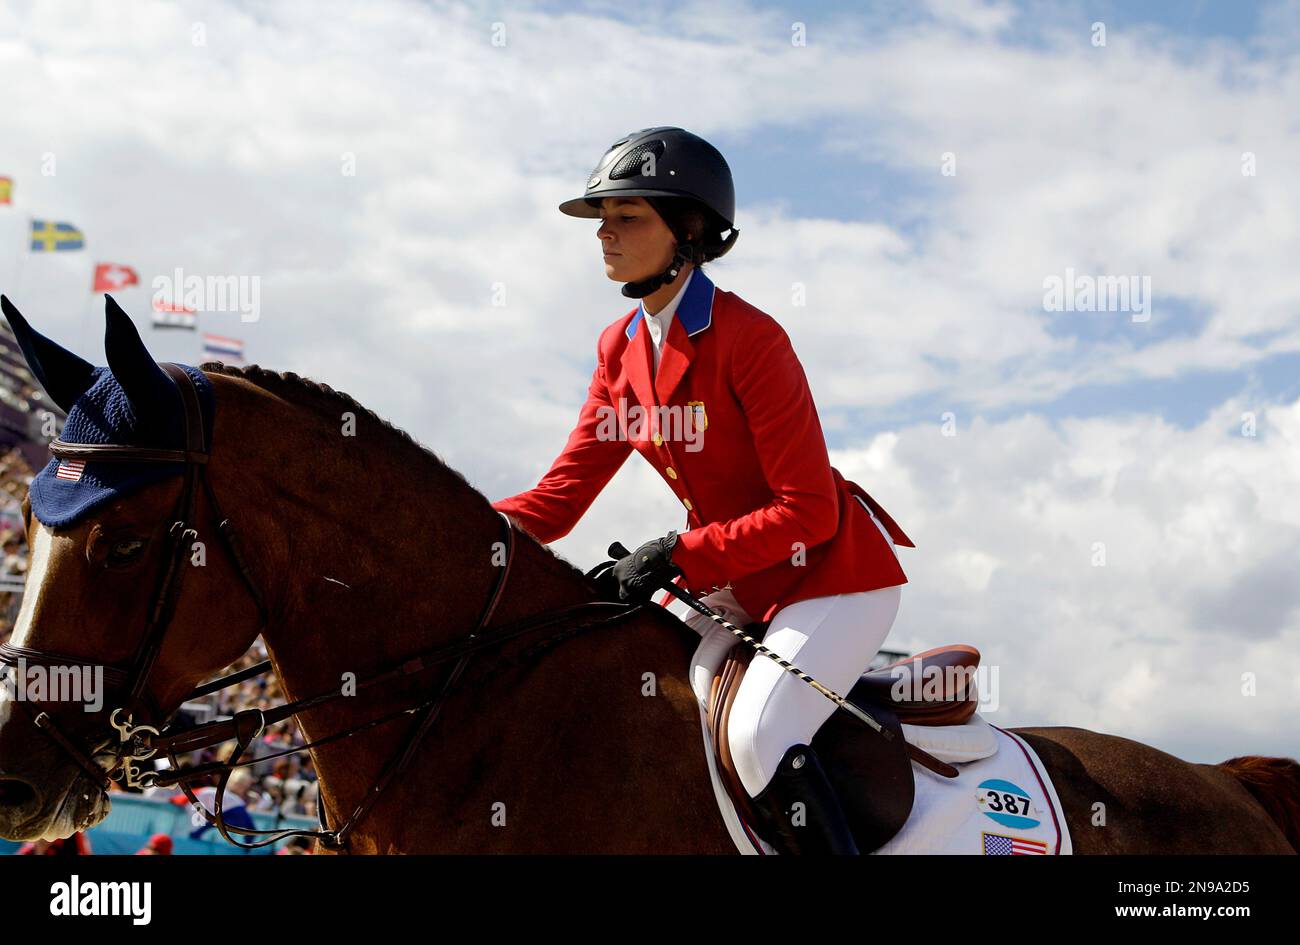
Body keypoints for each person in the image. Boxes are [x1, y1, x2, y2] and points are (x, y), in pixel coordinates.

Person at [492, 127, 916, 854]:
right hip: (740, 581)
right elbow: (557, 501)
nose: (604, 233)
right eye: (602, 218)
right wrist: (437, 522)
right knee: (625, 697)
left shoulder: (751, 339)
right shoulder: (618, 350)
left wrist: (677, 552)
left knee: (757, 735)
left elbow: (809, 511)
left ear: (687, 231)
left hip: (832, 577)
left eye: (627, 217)